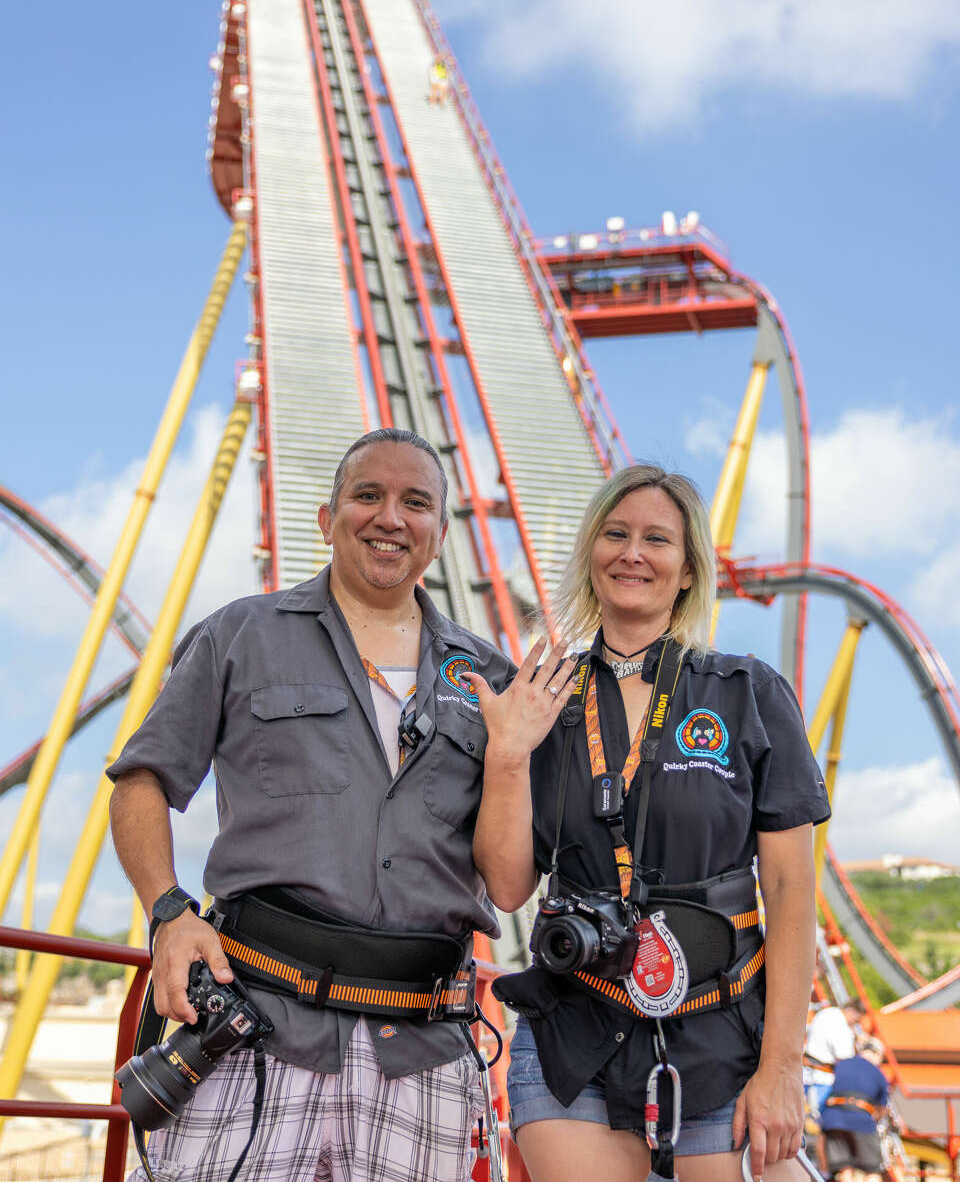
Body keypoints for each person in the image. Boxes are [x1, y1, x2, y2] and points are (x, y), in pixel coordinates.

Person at [107, 428, 572, 1182]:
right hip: (258, 1032)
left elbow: (511, 883)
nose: (390, 517)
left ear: (440, 533)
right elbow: (141, 780)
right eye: (368, 496)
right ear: (327, 519)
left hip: (421, 1050)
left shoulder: (490, 679)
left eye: (414, 502)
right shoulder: (241, 636)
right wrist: (167, 910)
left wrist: (513, 756)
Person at [469, 463, 831, 1181]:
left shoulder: (746, 692)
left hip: (721, 1034)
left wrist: (782, 1068)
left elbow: (791, 892)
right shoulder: (544, 696)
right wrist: (507, 756)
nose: (633, 553)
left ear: (689, 569)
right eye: (617, 534)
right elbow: (508, 890)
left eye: (657, 540)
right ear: (592, 553)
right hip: (576, 1031)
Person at [820, 1037, 889, 1182]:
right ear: (877, 1055)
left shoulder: (842, 1064)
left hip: (833, 1119)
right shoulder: (878, 1074)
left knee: (844, 1168)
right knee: (873, 1169)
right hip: (861, 1121)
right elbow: (881, 1109)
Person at [803, 1001, 862, 1116]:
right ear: (853, 1013)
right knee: (812, 1116)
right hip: (822, 1078)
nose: (855, 1023)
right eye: (856, 1020)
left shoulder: (826, 1012)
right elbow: (846, 1058)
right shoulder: (842, 1026)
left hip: (805, 1070)